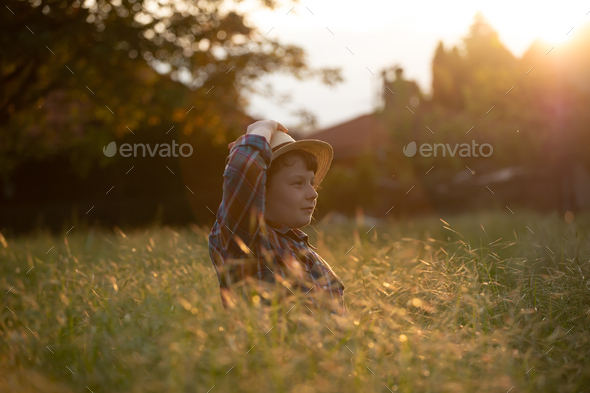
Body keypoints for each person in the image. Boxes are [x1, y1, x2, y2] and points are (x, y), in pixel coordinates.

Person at [208, 120, 349, 330]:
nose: (313, 193)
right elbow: (244, 170)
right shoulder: (247, 239)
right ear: (261, 188)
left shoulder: (303, 249)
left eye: (311, 182)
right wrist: (262, 128)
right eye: (297, 183)